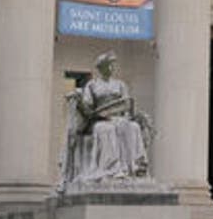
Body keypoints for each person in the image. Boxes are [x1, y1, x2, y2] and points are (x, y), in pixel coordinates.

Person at [61, 52, 152, 189]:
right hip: (98, 121)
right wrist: (80, 102)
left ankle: (137, 166)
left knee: (132, 127)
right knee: (106, 129)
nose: (111, 68)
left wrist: (124, 113)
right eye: (109, 65)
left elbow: (127, 104)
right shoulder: (92, 85)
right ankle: (112, 168)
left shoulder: (120, 84)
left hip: (119, 117)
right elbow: (87, 109)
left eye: (113, 65)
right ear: (101, 68)